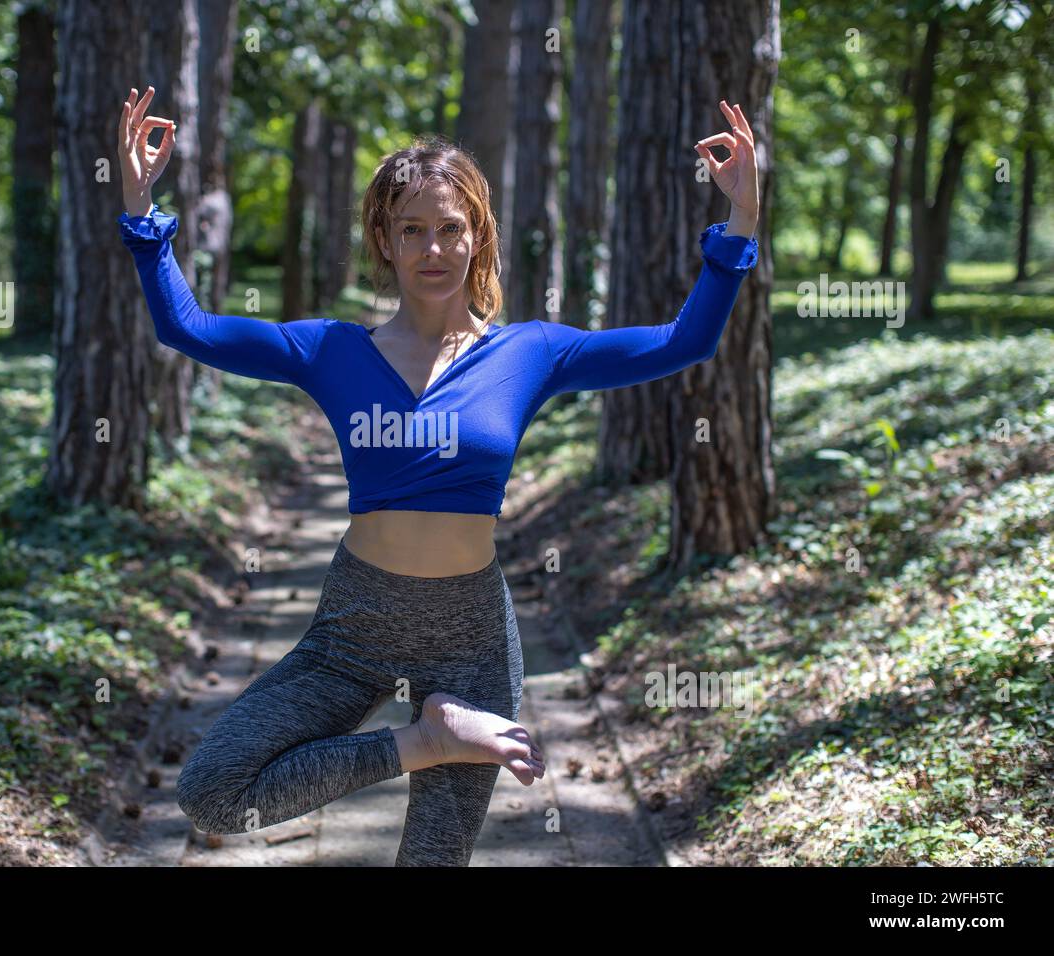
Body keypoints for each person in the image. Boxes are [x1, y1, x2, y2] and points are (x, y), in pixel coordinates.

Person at [116, 86, 760, 866]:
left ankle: (440, 735)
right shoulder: (331, 351)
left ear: (477, 237)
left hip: (471, 637)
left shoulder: (529, 353)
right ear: (384, 241)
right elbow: (187, 327)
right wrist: (143, 209)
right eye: (411, 230)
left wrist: (740, 220)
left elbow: (682, 342)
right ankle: (425, 740)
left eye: (451, 230)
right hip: (354, 627)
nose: (432, 248)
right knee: (213, 790)